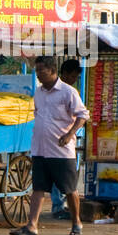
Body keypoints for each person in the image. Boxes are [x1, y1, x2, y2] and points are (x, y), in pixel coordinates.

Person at [11, 54, 89, 235]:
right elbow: (38, 113)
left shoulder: (68, 92)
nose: (38, 74)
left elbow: (83, 115)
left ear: (52, 70)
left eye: (41, 71)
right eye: (37, 70)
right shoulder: (38, 92)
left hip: (61, 150)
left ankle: (76, 222)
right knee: (38, 188)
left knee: (69, 189)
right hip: (40, 148)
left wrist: (70, 134)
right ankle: (32, 225)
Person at [50, 58, 88, 219]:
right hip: (59, 138)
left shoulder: (69, 92)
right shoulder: (65, 91)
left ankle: (60, 206)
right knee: (62, 176)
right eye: (73, 76)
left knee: (64, 175)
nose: (74, 80)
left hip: (64, 138)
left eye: (76, 77)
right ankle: (59, 207)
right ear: (65, 74)